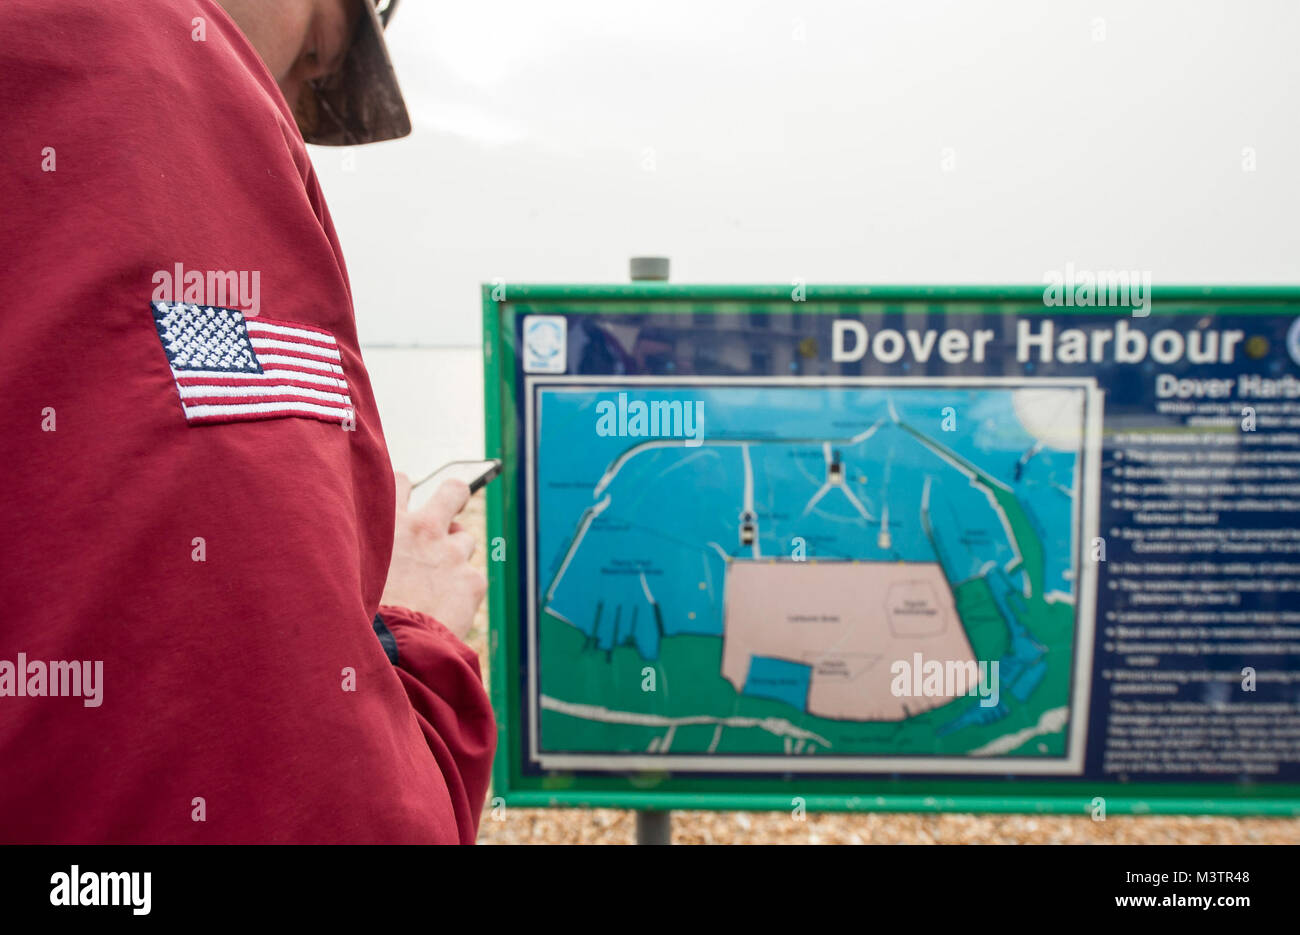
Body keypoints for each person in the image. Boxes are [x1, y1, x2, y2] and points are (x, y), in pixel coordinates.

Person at [0, 0, 495, 843]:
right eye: (354, 17)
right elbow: (302, 798)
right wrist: (421, 638)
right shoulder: (146, 71)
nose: (306, 88)